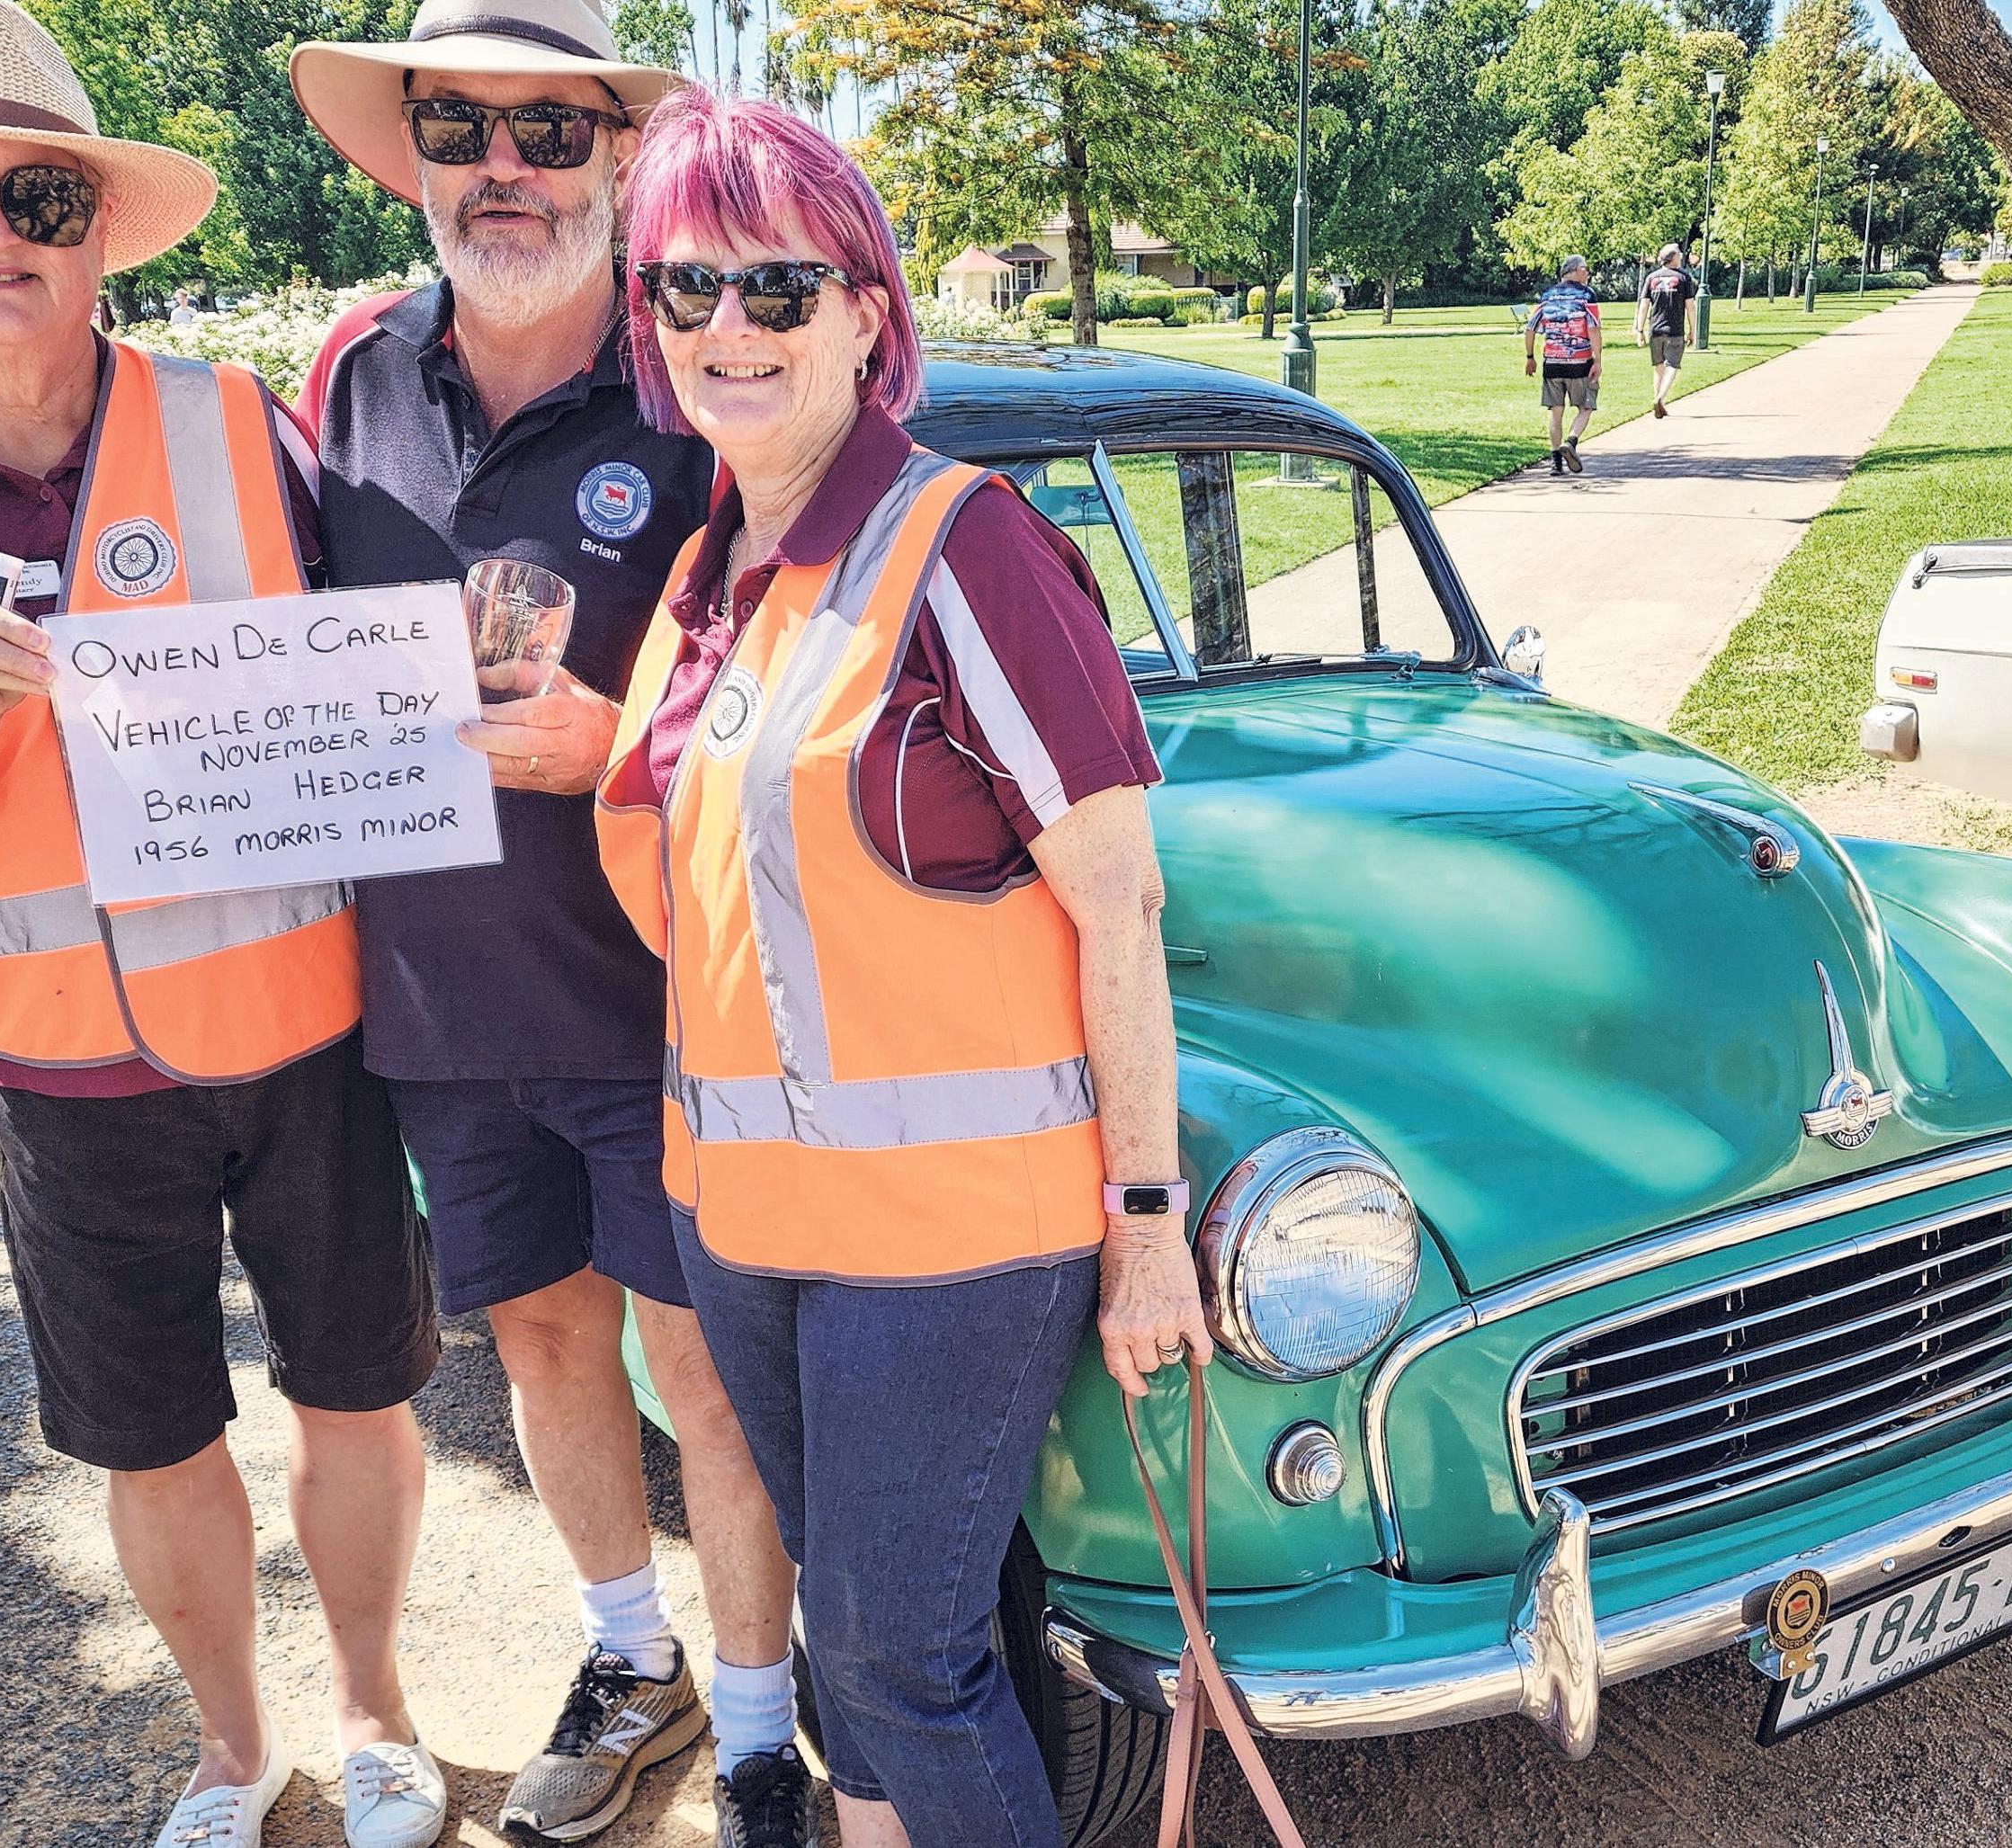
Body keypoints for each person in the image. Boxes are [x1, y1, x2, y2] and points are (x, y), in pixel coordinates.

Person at [0, 5, 447, 1847]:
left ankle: (373, 1714)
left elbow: (379, 691)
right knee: (150, 1438)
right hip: (57, 1061)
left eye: (40, 190)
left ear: (97, 228)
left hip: (307, 1034)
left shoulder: (241, 429)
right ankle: (233, 1750)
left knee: (355, 1392)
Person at [586, 88, 1210, 1848]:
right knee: (853, 1662)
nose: (727, 328)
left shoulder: (966, 551)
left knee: (897, 1650)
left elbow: (1119, 907)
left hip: (943, 1242)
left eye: (774, 288)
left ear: (865, 310)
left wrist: (1146, 1223)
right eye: (683, 292)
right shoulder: (713, 566)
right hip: (743, 1222)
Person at [286, 4, 805, 1841]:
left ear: (611, 158)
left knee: (708, 1376)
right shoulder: (345, 374)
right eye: (458, 126)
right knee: (537, 1345)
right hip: (437, 999)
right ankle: (630, 1658)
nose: (501, 167)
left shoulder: (697, 375)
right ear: (412, 152)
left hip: (666, 996)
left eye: (550, 132)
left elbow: (801, 665)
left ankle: (754, 1722)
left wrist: (623, 748)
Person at [1525, 253, 1603, 474]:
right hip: (1580, 362)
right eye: (1585, 269)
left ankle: (1556, 463)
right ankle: (1571, 442)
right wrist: (1597, 359)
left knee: (1555, 412)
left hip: (1552, 362)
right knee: (1586, 407)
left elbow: (1530, 328)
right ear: (1576, 270)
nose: (1587, 273)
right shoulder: (1586, 295)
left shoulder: (1547, 295)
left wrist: (1530, 357)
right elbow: (1593, 328)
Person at [1636, 243, 1696, 418]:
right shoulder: (1684, 278)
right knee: (1673, 366)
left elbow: (1644, 305)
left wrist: (1639, 330)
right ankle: (1660, 398)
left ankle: (1658, 403)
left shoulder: (1651, 278)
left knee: (1658, 367)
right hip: (1674, 330)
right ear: (1673, 258)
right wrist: (1693, 330)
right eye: (1679, 254)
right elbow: (1690, 307)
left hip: (1655, 329)